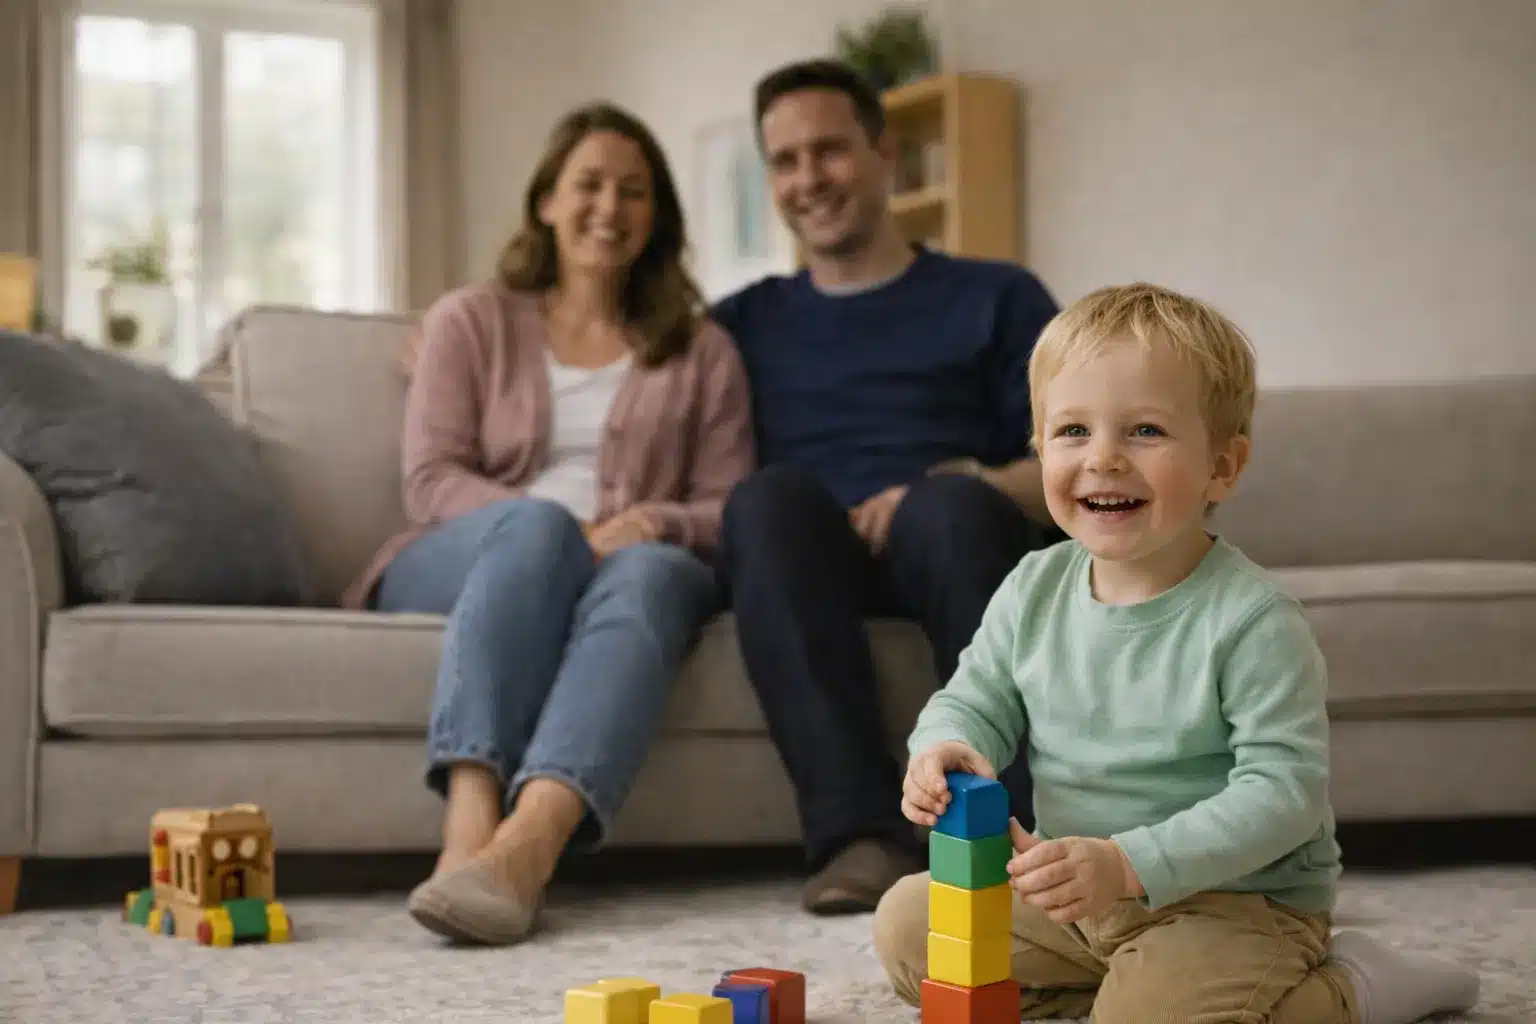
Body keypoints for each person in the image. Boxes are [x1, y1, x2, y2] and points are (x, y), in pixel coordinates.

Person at [874, 283, 1481, 1022]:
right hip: (1080, 896)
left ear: (1223, 467)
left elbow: (1283, 796)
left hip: (1233, 905)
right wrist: (945, 745)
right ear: (1038, 451)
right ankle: (1126, 991)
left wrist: (1129, 866)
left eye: (1144, 431)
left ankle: (1356, 988)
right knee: (910, 925)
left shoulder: (1254, 619)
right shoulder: (1034, 586)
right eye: (1071, 432)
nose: (1103, 459)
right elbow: (976, 696)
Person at [343, 102, 755, 946]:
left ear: (658, 216)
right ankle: (467, 830)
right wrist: (556, 532)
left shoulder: (702, 350)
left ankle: (525, 854)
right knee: (536, 532)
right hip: (468, 554)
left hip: (628, 565)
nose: (610, 207)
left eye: (634, 191)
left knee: (656, 574)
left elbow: (727, 502)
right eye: (589, 185)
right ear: (545, 201)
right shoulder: (471, 319)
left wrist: (653, 521)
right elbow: (429, 481)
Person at [710, 59, 1062, 915]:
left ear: (885, 155)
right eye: (785, 162)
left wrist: (965, 480)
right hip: (807, 559)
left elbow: (1073, 459)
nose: (808, 180)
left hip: (957, 539)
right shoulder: (739, 324)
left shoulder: (997, 295)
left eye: (829, 151)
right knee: (764, 502)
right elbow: (619, 371)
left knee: (946, 506)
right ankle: (857, 837)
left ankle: (1003, 833)